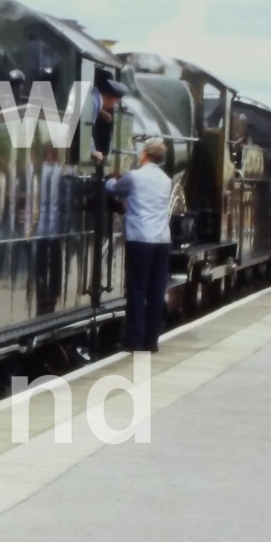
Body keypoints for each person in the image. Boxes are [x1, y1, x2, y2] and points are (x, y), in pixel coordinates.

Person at [106, 140, 174, 353]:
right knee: (156, 290)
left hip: (140, 239)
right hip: (162, 240)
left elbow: (114, 189)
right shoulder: (166, 180)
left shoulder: (135, 177)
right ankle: (151, 341)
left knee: (137, 290)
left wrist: (106, 178)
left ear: (145, 154)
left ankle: (134, 339)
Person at [90, 79, 126, 163]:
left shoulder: (94, 97)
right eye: (116, 102)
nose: (114, 105)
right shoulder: (93, 104)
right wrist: (93, 151)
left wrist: (101, 111)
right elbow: (85, 129)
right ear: (113, 99)